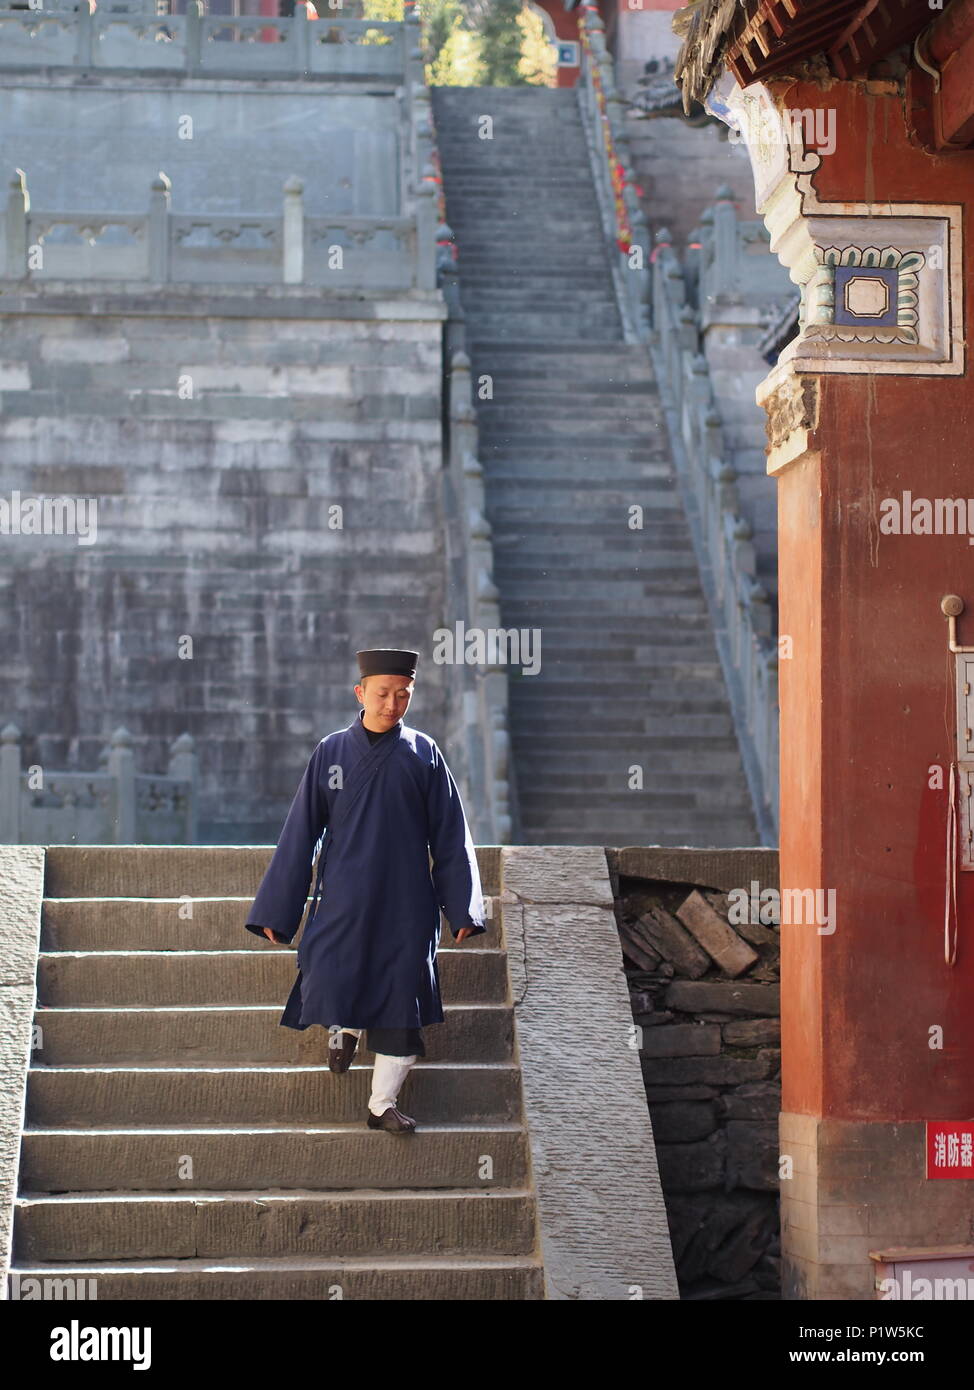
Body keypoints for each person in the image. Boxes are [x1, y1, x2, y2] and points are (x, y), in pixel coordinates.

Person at [244, 647, 486, 1133]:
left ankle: (383, 1104)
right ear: (360, 693)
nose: (392, 704)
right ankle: (344, 1028)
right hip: (344, 892)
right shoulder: (331, 751)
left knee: (403, 993)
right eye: (383, 694)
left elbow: (450, 832)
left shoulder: (424, 753)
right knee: (332, 965)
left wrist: (461, 908)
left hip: (407, 900)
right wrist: (279, 908)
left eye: (403, 695)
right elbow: (301, 831)